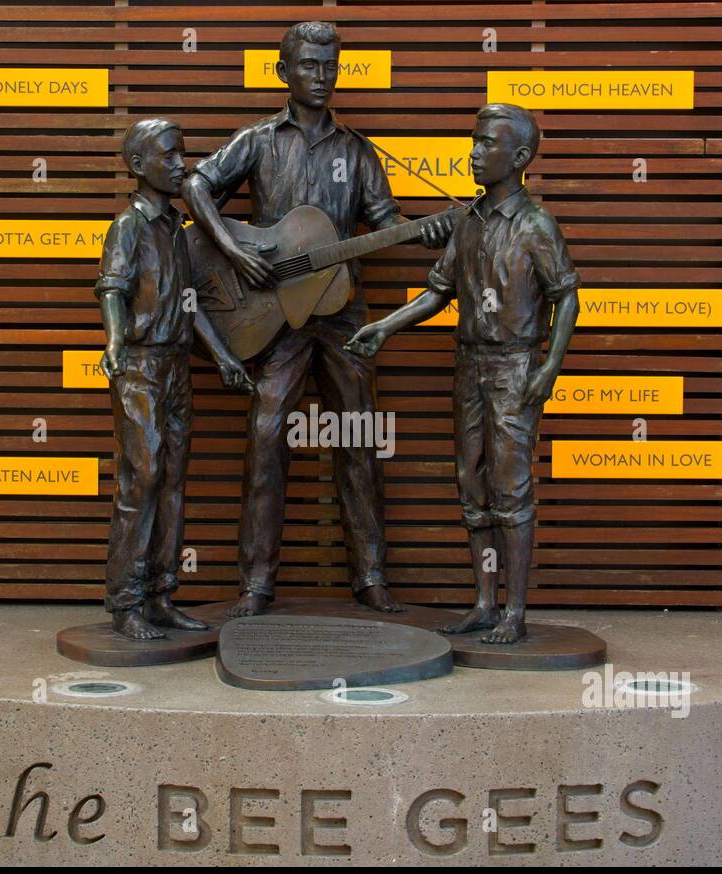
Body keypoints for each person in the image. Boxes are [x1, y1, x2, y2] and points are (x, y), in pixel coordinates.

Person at [182, 20, 452, 618]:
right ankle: (255, 584)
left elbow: (383, 221)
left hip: (342, 316)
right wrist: (233, 250)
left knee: (359, 438)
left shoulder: (357, 151)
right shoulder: (256, 142)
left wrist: (424, 232)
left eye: (331, 66)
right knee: (265, 438)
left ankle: (371, 577)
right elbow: (195, 184)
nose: (323, 76)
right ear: (284, 72)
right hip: (274, 318)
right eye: (309, 65)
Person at [346, 104, 581, 644]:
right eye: (472, 141)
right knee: (470, 483)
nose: (473, 152)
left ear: (519, 158)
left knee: (510, 487)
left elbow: (566, 296)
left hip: (514, 365)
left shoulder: (536, 225)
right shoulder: (468, 222)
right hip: (469, 364)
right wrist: (385, 327)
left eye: (485, 144)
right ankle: (483, 601)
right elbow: (437, 292)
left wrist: (548, 367)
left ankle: (514, 612)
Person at [97, 117, 253, 640]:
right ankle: (126, 602)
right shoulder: (130, 226)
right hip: (140, 366)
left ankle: (161, 596)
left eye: (181, 154)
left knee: (172, 482)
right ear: (139, 166)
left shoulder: (177, 232)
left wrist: (224, 357)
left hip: (177, 368)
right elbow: (112, 289)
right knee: (141, 479)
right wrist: (116, 340)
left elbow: (191, 308)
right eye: (168, 156)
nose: (180, 164)